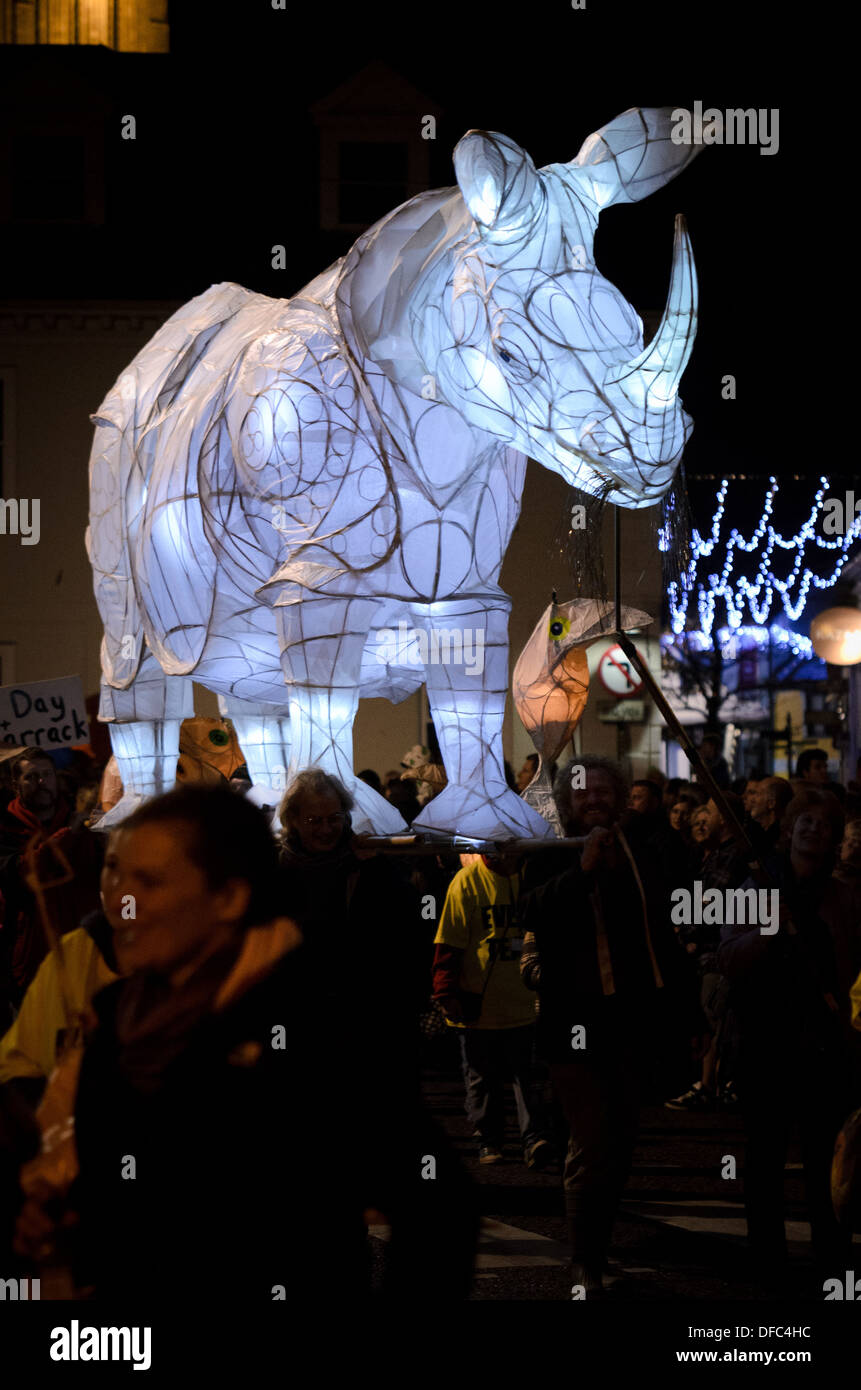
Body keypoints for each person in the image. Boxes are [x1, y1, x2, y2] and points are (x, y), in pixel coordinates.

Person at [14, 784, 476, 1301]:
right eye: (115, 870)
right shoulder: (115, 1012)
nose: (123, 899)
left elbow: (436, 1199)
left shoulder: (303, 1028)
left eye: (150, 880)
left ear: (228, 898)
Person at [517, 755, 686, 1295]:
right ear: (568, 802)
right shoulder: (551, 849)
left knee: (622, 1141)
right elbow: (534, 912)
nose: (594, 801)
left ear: (619, 797)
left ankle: (602, 1247)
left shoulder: (644, 848)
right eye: (583, 794)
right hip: (574, 1019)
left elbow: (665, 923)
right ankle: (584, 1261)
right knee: (590, 1141)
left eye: (603, 793)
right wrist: (581, 870)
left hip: (632, 1017)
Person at [718, 788, 860, 1291]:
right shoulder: (757, 886)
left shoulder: (844, 898)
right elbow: (729, 957)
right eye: (806, 820)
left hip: (823, 1046)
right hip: (764, 1042)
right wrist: (769, 932)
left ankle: (832, 1261)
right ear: (790, 826)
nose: (813, 829)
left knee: (827, 1160)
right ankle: (767, 1264)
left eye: (824, 823)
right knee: (764, 1160)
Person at [431, 848, 555, 1170]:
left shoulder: (533, 878)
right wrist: (446, 991)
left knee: (527, 1077)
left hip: (525, 1001)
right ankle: (489, 1139)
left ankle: (533, 1139)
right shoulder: (466, 882)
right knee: (481, 1079)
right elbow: (449, 941)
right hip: (479, 1005)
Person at [0, 750, 104, 1026]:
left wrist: (128, 921)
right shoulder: (5, 830)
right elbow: (24, 870)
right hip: (31, 962)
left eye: (46, 775)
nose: (42, 782)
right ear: (15, 784)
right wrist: (69, 834)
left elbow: (121, 886)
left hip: (84, 956)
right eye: (30, 777)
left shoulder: (87, 825)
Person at [665, 793, 748, 1112]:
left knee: (712, 1019)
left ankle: (708, 1086)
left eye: (708, 813)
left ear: (724, 818)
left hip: (714, 952)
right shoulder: (710, 855)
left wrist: (685, 931)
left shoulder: (729, 856)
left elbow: (709, 903)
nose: (701, 819)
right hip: (707, 950)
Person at [746, 775, 793, 860]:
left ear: (771, 803)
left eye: (757, 794)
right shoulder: (757, 834)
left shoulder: (779, 842)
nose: (752, 800)